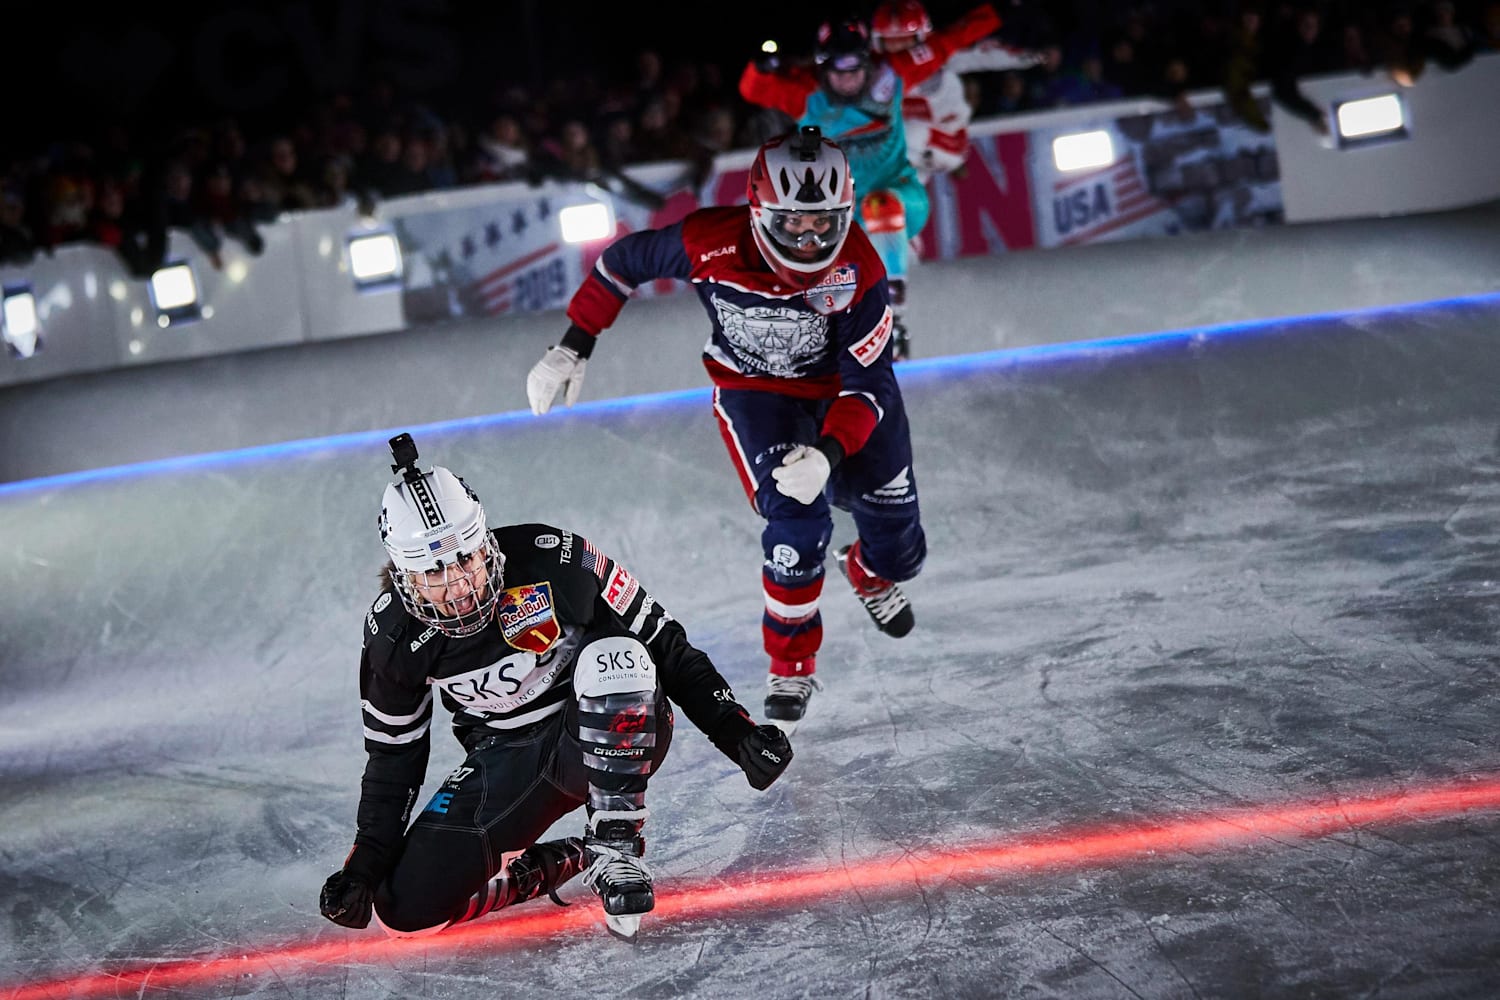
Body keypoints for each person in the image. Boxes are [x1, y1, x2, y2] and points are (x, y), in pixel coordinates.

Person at [525, 127, 927, 733]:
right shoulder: (708, 241)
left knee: (901, 546)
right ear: (761, 213)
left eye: (825, 222)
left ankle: (869, 570)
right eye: (795, 223)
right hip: (759, 398)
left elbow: (869, 387)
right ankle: (791, 664)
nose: (812, 237)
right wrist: (574, 344)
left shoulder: (859, 270)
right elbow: (622, 263)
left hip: (844, 399)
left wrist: (829, 450)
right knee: (797, 520)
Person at [319, 433, 793, 941]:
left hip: (611, 725)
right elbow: (394, 758)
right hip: (508, 761)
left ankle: (617, 849)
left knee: (619, 655)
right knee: (403, 913)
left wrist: (734, 729)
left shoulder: (559, 560)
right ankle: (557, 864)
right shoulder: (392, 638)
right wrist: (365, 864)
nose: (458, 584)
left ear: (487, 543)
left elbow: (663, 642)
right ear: (404, 578)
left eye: (466, 559)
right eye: (434, 572)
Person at [869, 1, 1040, 184]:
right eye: (891, 41)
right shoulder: (872, 68)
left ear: (921, 36)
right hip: (906, 151)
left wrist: (1032, 55)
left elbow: (977, 49)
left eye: (905, 40)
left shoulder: (936, 55)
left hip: (946, 141)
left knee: (908, 133)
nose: (898, 48)